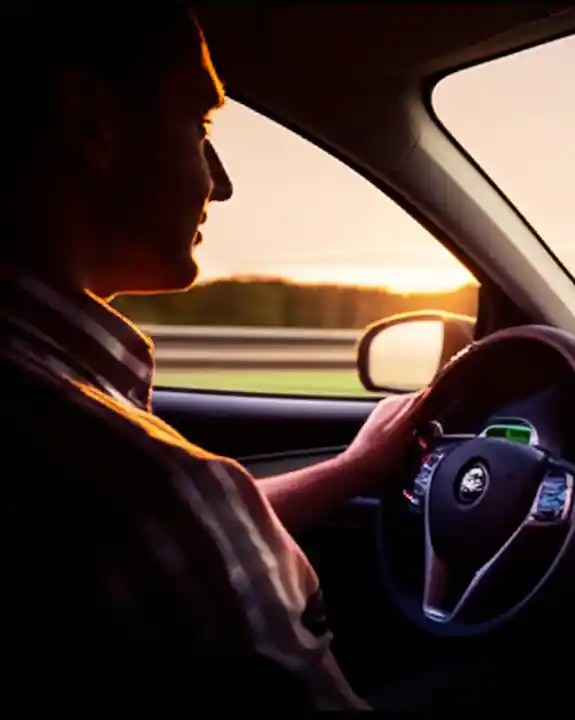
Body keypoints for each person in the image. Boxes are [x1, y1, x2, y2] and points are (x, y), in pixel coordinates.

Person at [0, 7, 425, 711]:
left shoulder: (85, 462)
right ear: (91, 122)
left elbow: (198, 541)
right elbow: (179, 524)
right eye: (201, 127)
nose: (219, 182)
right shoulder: (138, 486)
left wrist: (355, 469)